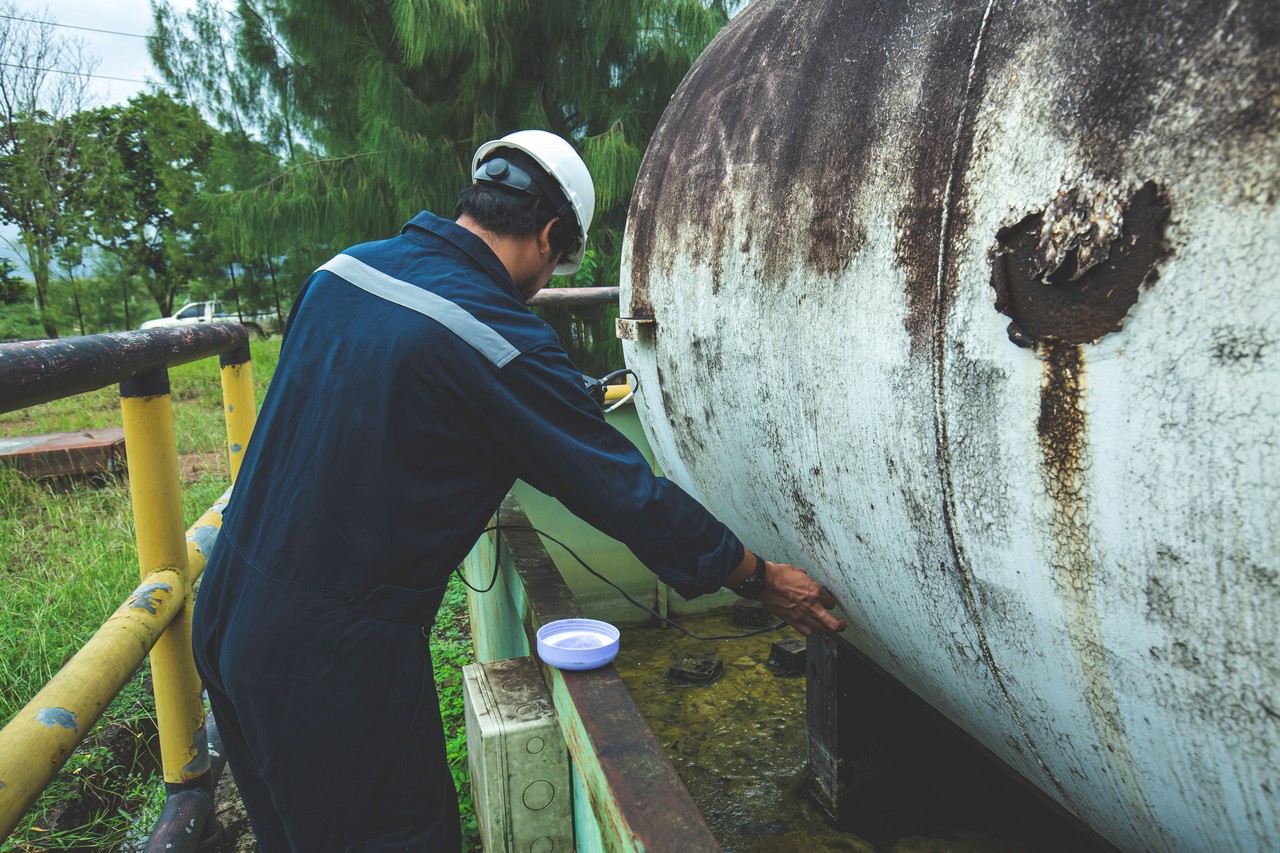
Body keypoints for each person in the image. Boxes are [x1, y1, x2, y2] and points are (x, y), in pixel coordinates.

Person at [192, 129, 846, 851]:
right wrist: (756, 576)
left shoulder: (343, 273)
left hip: (227, 610)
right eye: (561, 261)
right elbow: (625, 492)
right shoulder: (499, 340)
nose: (548, 280)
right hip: (333, 661)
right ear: (547, 234)